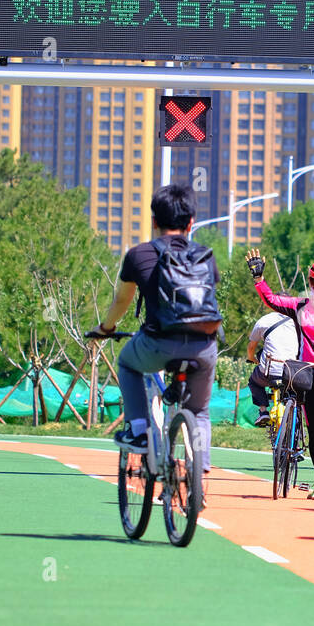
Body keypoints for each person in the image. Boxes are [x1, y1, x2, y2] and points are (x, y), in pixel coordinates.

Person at [93, 185, 221, 472]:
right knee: (198, 410)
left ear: (153, 221)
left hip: (158, 343)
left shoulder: (138, 255)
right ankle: (199, 471)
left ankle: (138, 429)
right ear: (191, 222)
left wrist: (105, 328)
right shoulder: (206, 256)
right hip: (204, 345)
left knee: (127, 362)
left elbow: (122, 301)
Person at [245, 252, 314, 502]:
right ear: (313, 284)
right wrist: (259, 278)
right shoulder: (300, 306)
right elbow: (271, 300)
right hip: (307, 374)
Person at [247, 311, 297, 426]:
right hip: (293, 371)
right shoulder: (297, 321)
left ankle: (263, 411)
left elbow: (251, 347)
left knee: (254, 382)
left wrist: (252, 359)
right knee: (294, 390)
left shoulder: (264, 320)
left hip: (270, 372)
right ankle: (296, 415)